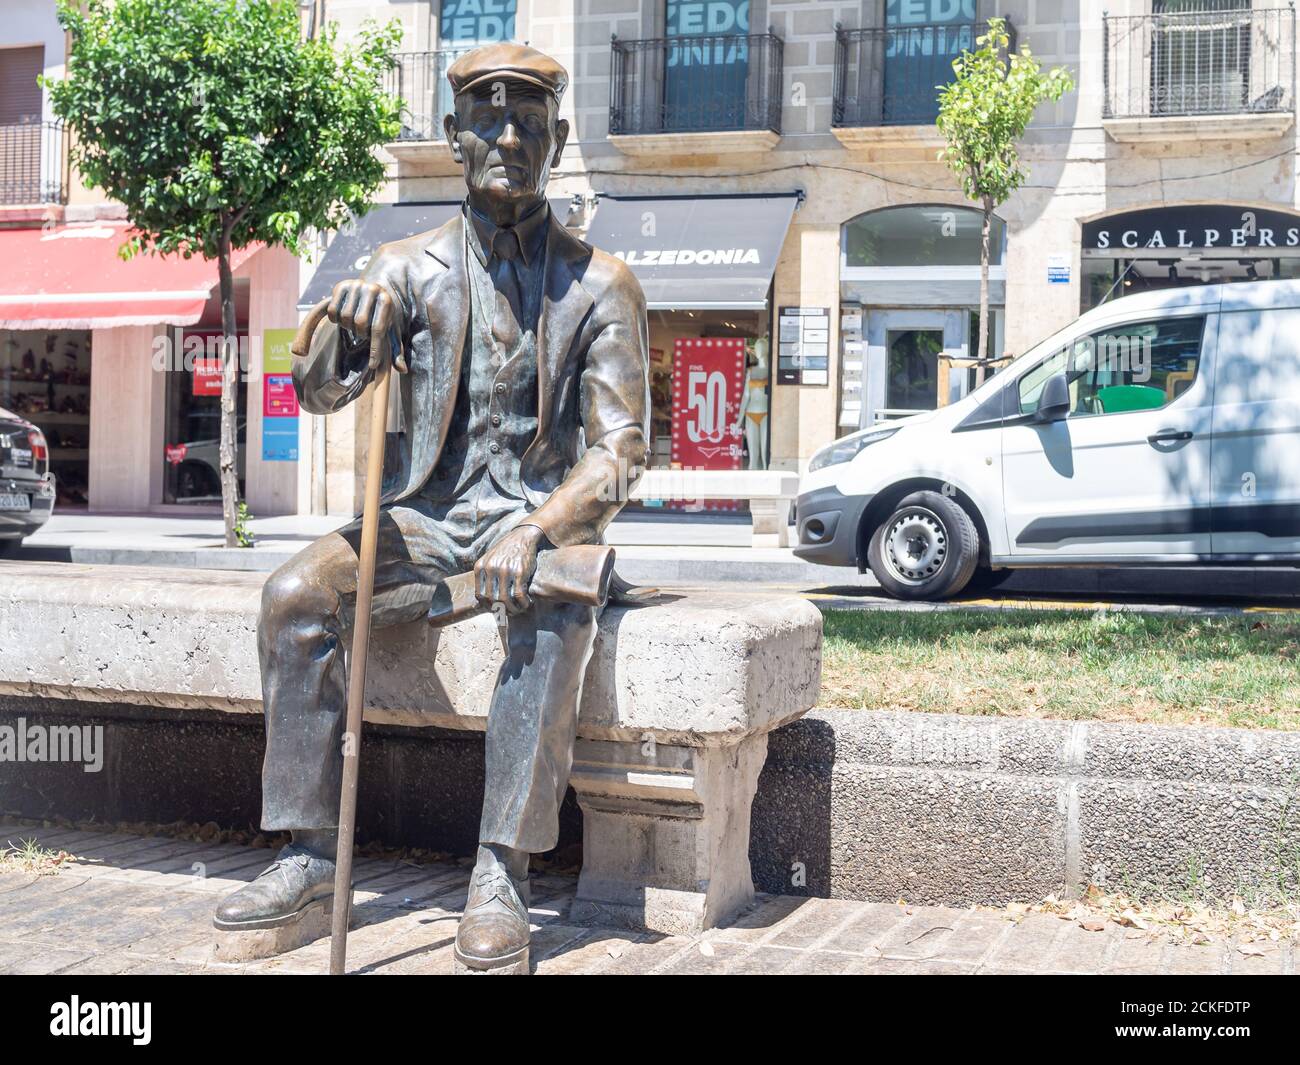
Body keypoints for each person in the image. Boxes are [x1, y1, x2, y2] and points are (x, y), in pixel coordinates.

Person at [213, 43, 649, 974]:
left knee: (552, 609)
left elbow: (621, 451)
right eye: (486, 121)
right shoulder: (403, 267)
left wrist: (540, 525)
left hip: (536, 524)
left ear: (557, 138)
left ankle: (501, 870)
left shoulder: (602, 284)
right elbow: (320, 389)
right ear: (453, 137)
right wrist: (342, 322)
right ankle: (308, 853)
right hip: (424, 522)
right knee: (294, 592)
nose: (506, 137)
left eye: (528, 123)